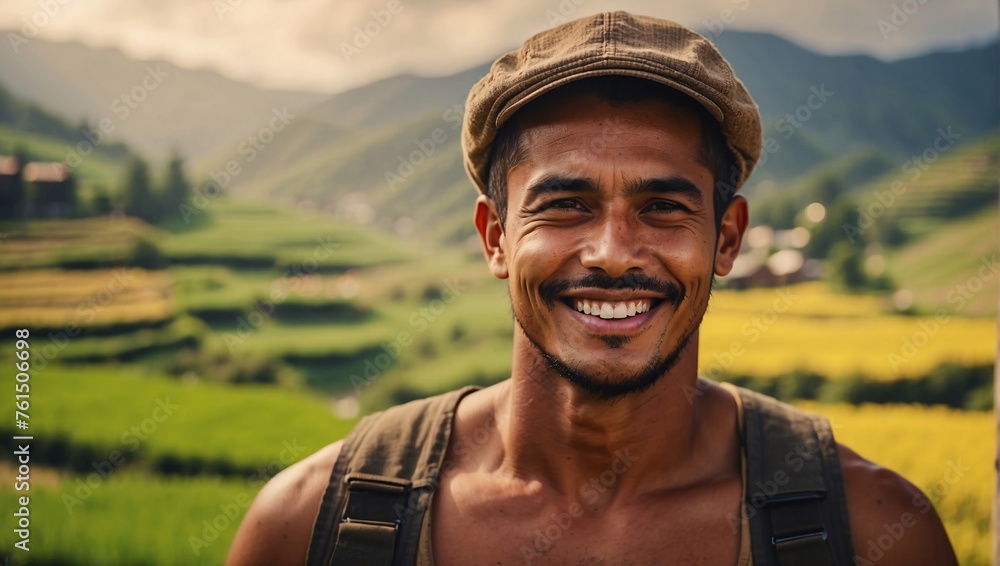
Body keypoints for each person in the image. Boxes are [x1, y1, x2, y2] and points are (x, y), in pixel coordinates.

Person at [228, 12, 957, 565]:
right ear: (496, 238)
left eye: (662, 207)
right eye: (565, 204)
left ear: (728, 238)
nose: (612, 254)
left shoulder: (871, 531)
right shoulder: (310, 526)